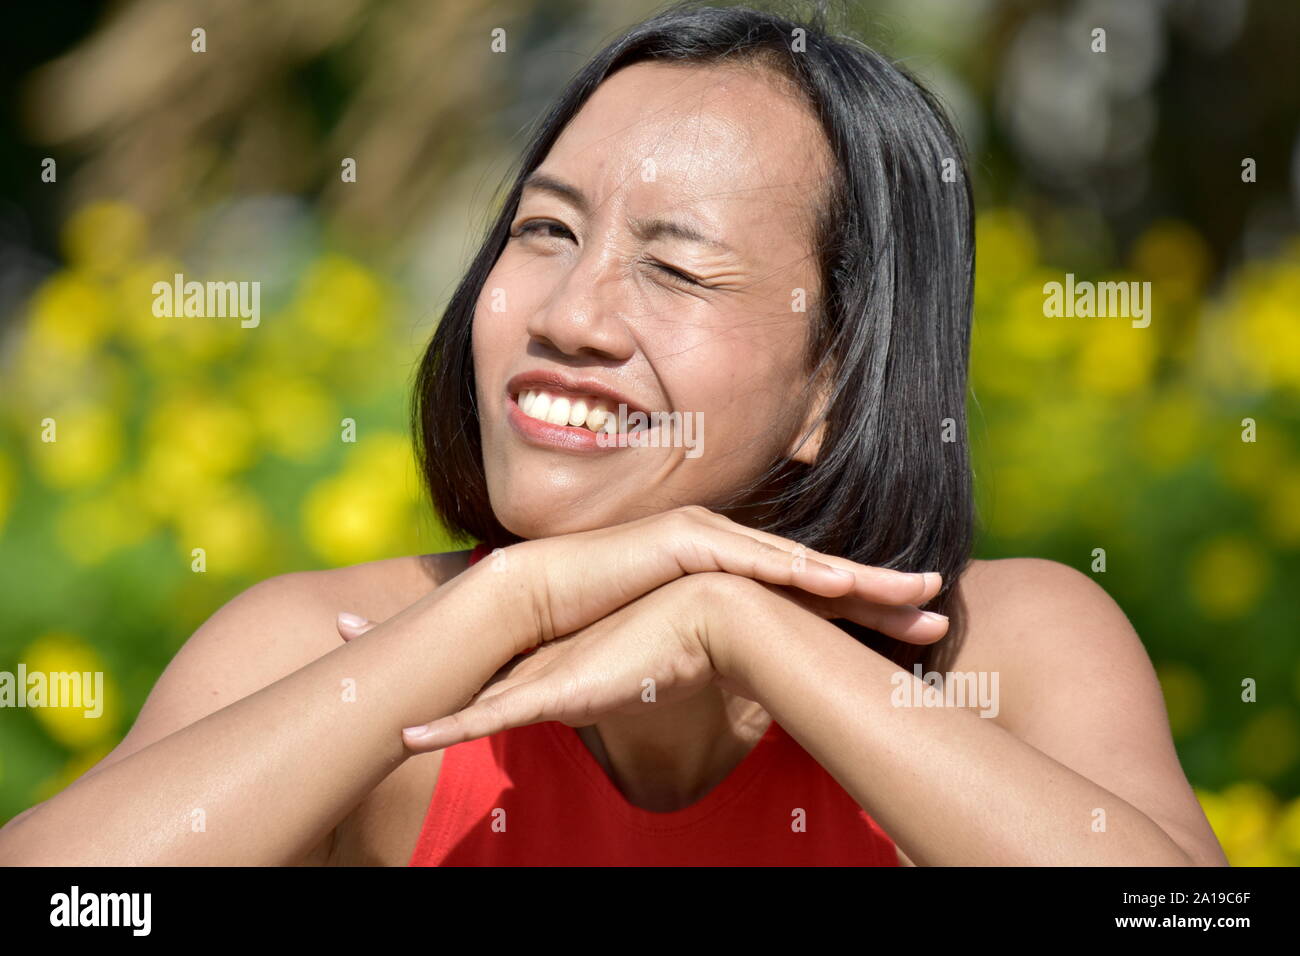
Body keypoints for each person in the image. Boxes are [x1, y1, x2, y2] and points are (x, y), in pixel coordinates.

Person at [0, 1, 1228, 866]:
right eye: (543, 231)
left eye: (677, 269)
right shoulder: (325, 646)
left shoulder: (993, 653)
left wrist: (735, 621)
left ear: (836, 388)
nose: (568, 315)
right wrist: (504, 608)